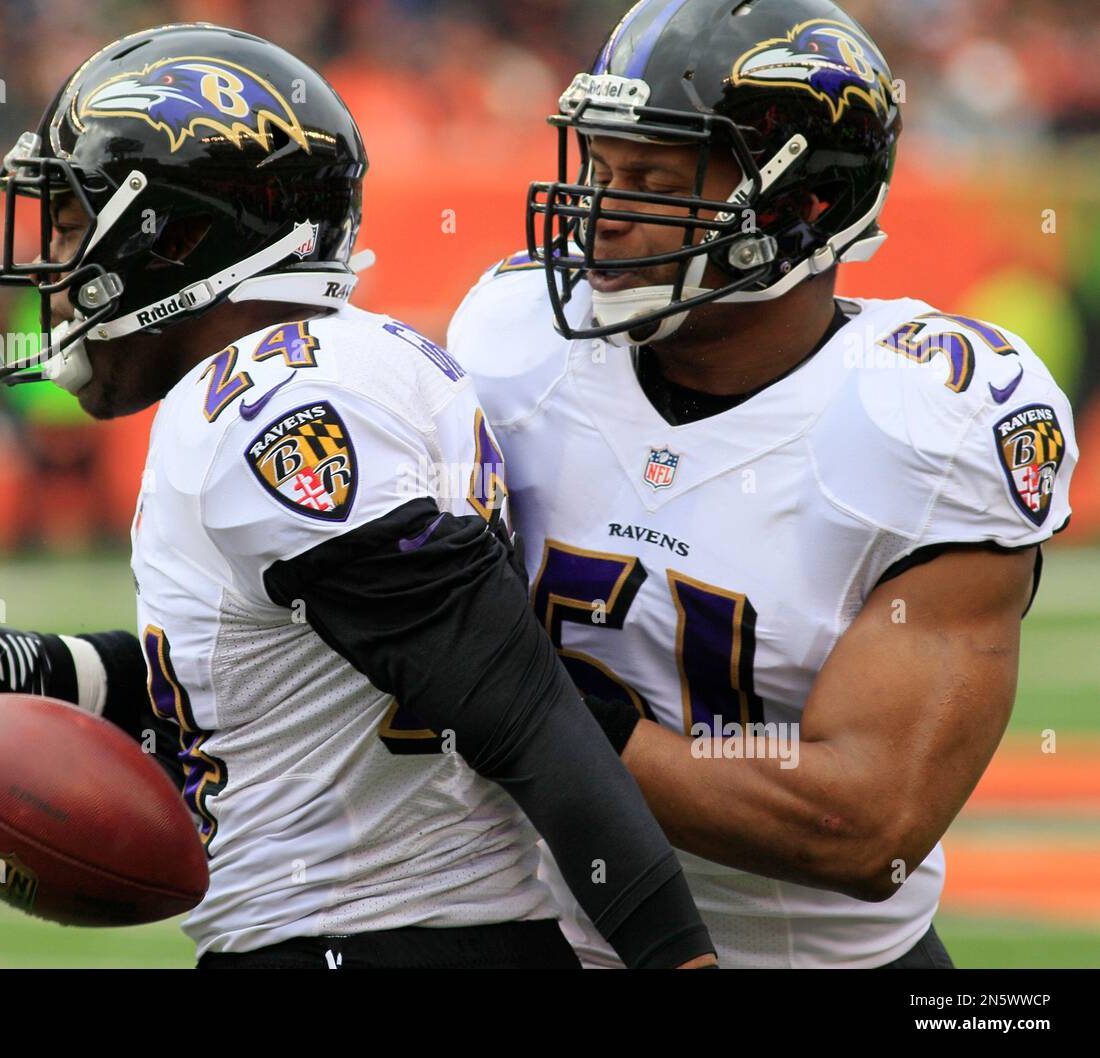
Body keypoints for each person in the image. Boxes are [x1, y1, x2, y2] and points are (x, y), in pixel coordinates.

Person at [0, 22, 715, 970]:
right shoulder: (348, 364)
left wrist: (679, 960)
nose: (55, 276)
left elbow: (519, 713)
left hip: (369, 941)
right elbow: (313, 674)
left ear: (181, 236)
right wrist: (65, 672)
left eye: (70, 225)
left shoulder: (265, 412)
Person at [447, 0, 1077, 968]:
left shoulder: (921, 414)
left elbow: (865, 823)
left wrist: (538, 711)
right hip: (545, 939)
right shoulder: (513, 341)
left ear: (803, 203)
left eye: (652, 178)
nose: (601, 211)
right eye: (599, 167)